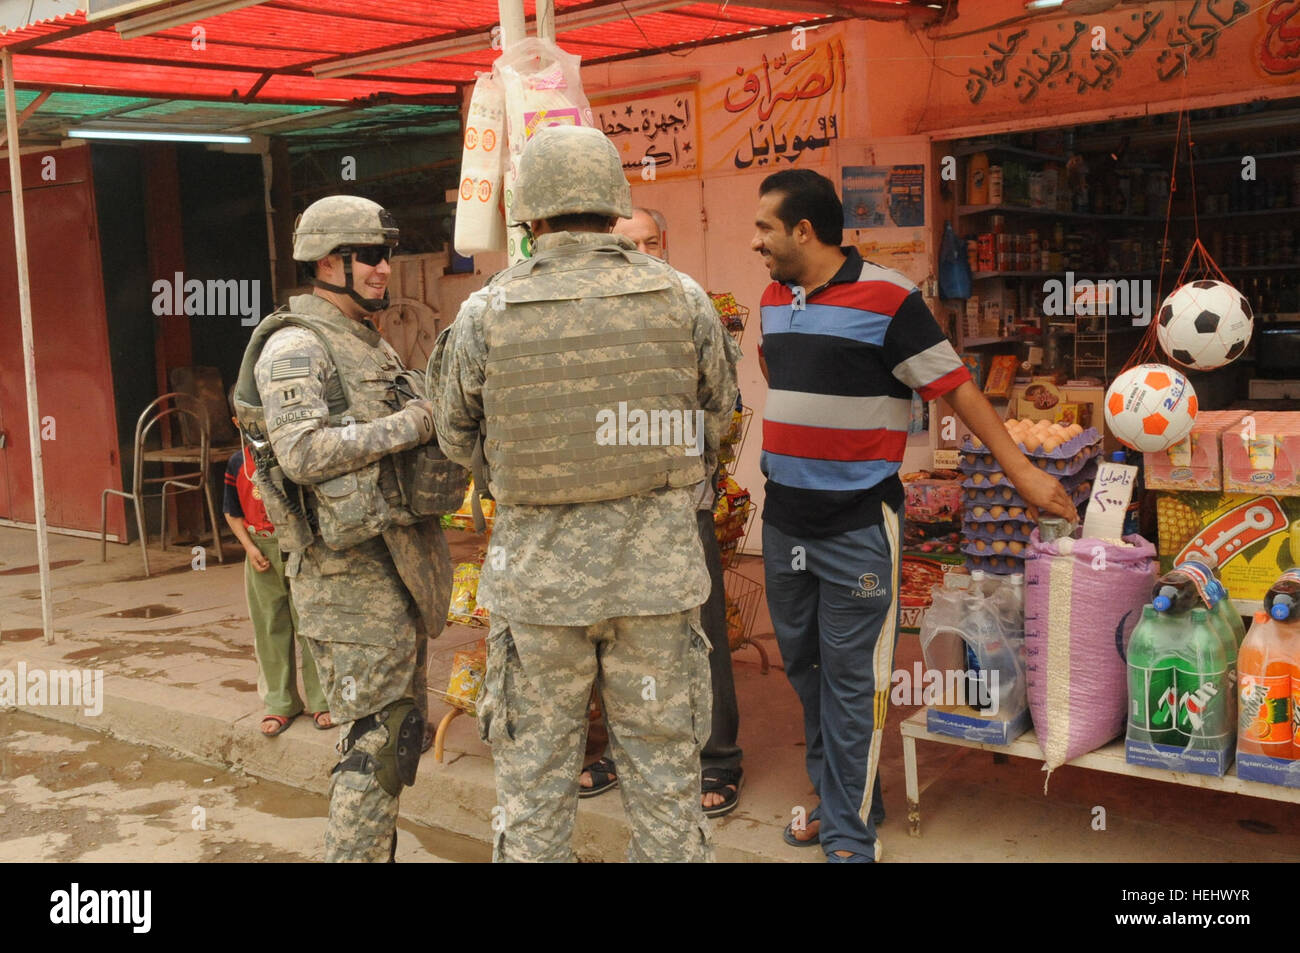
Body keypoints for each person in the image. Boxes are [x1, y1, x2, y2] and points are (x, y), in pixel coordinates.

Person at [751, 169, 1077, 863]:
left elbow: (956, 386)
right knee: (805, 668)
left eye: (764, 229)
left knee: (853, 680)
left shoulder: (892, 298)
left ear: (803, 230)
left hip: (857, 525)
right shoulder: (774, 297)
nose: (757, 243)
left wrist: (1020, 470)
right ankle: (835, 796)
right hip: (783, 522)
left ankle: (849, 831)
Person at [434, 125, 738, 862]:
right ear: (613, 200)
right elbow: (719, 427)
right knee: (668, 792)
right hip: (657, 589)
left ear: (528, 213)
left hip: (538, 592)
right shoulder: (683, 297)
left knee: (535, 797)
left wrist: (526, 470)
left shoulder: (486, 310)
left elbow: (454, 436)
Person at [233, 195, 458, 862]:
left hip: (389, 569)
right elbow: (302, 453)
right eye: (373, 256)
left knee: (393, 737)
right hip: (345, 578)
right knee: (377, 743)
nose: (386, 268)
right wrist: (414, 424)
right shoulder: (296, 345)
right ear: (330, 261)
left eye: (385, 253)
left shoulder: (361, 338)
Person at [590, 206, 745, 818]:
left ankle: (718, 758)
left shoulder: (689, 309)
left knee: (701, 634)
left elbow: (720, 405)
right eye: (629, 244)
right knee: (617, 637)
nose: (642, 254)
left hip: (681, 507)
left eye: (652, 242)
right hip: (608, 514)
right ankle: (622, 751)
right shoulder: (589, 317)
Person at [222, 387, 331, 737]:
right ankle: (280, 704)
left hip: (298, 546)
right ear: (238, 422)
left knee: (309, 623)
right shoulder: (237, 462)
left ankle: (322, 700)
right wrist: (249, 548)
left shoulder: (292, 456)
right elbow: (232, 512)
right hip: (260, 550)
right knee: (270, 626)